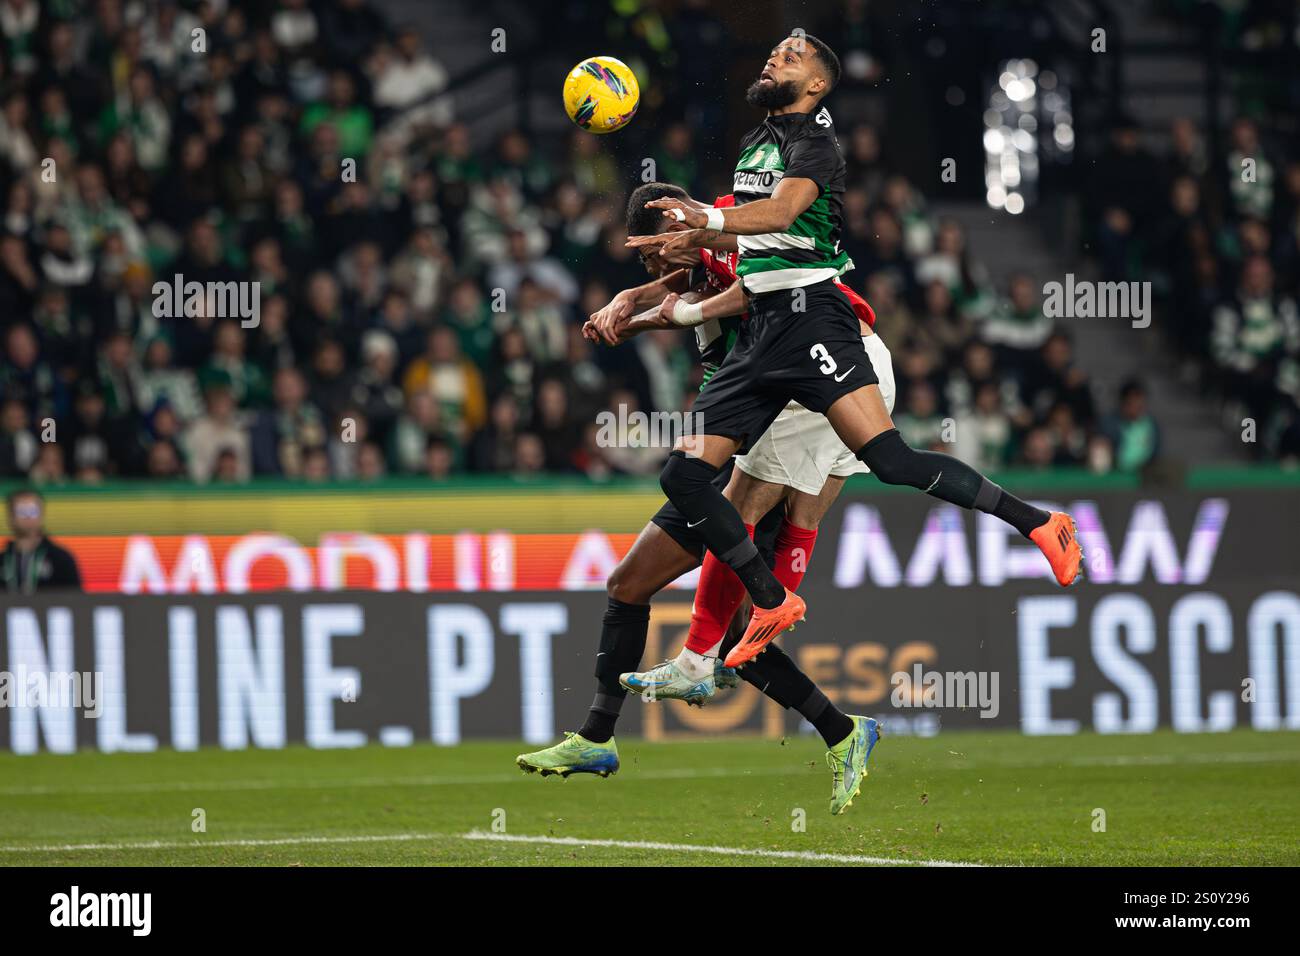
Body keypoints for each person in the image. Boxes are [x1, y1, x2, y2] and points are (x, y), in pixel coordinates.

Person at [626, 34, 1083, 670]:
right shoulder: (759, 141)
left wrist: (701, 222)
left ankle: (1038, 523)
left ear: (817, 85)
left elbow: (780, 214)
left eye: (791, 57)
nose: (774, 58)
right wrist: (650, 281)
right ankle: (760, 611)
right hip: (763, 333)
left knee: (887, 461)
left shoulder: (816, 142)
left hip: (815, 321)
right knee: (685, 475)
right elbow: (747, 234)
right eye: (775, 52)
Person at [516, 182, 891, 814]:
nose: (655, 266)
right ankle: (600, 738)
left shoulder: (742, 260)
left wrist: (637, 310)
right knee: (640, 591)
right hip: (726, 453)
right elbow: (679, 292)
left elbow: (744, 289)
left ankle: (813, 692)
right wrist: (629, 304)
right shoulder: (700, 274)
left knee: (725, 633)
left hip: (754, 454)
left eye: (655, 251)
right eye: (646, 260)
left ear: (681, 228)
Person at [1, 488, 82, 592]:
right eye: (21, 511)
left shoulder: (61, 560)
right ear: (11, 517)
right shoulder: (3, 561)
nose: (28, 517)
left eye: (33, 511)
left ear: (42, 515)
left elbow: (76, 599)